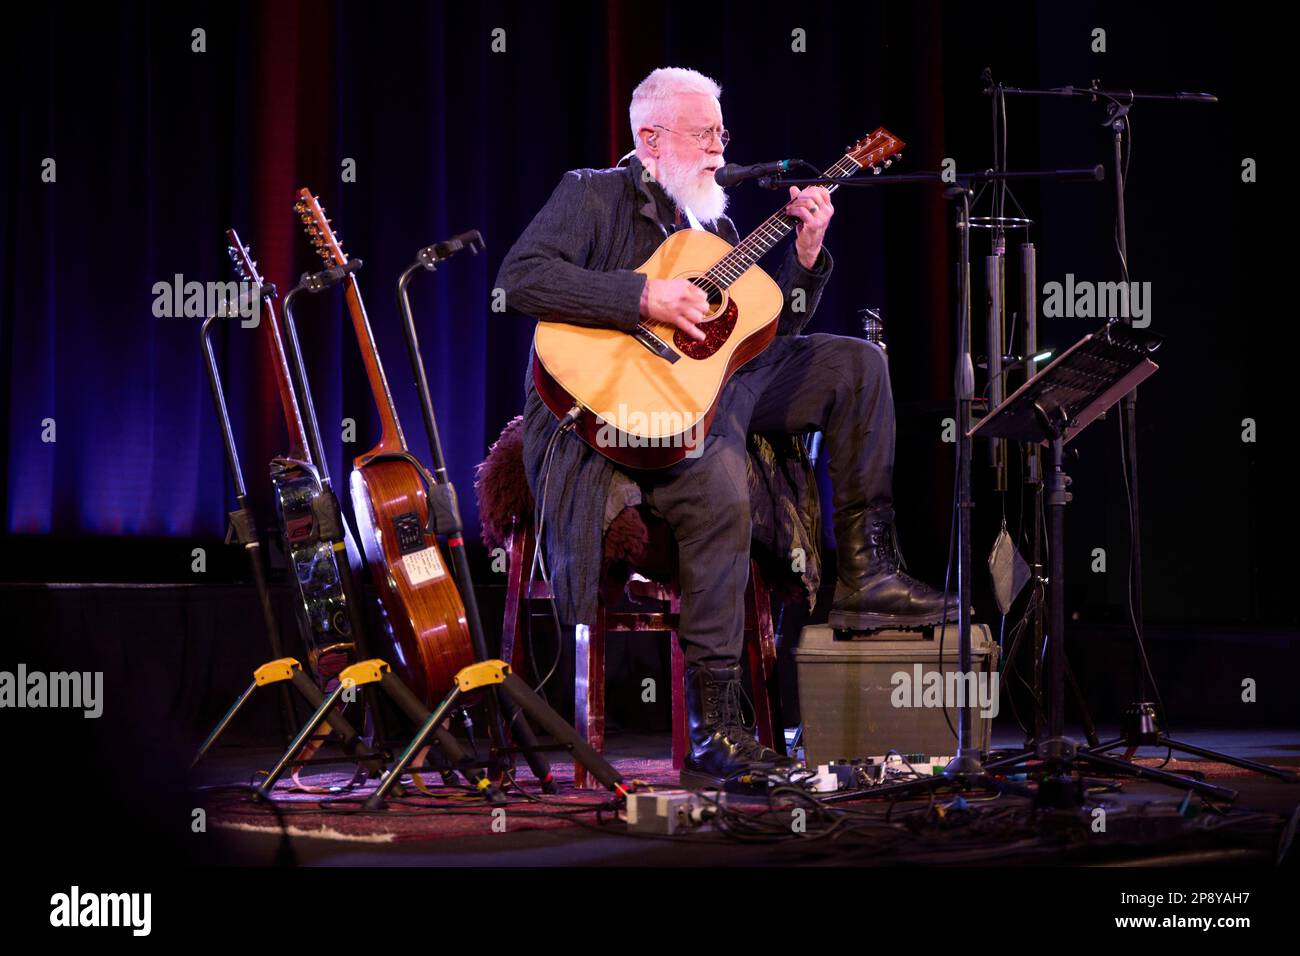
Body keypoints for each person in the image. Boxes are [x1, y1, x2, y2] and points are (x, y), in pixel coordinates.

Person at [497, 67, 954, 788]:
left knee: (858, 364)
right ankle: (718, 732)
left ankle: (869, 569)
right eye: (704, 132)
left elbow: (767, 333)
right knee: (719, 476)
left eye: (722, 132)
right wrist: (643, 295)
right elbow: (520, 278)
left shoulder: (719, 226)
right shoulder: (591, 192)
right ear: (651, 139)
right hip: (614, 414)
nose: (719, 146)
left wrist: (806, 257)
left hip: (720, 389)